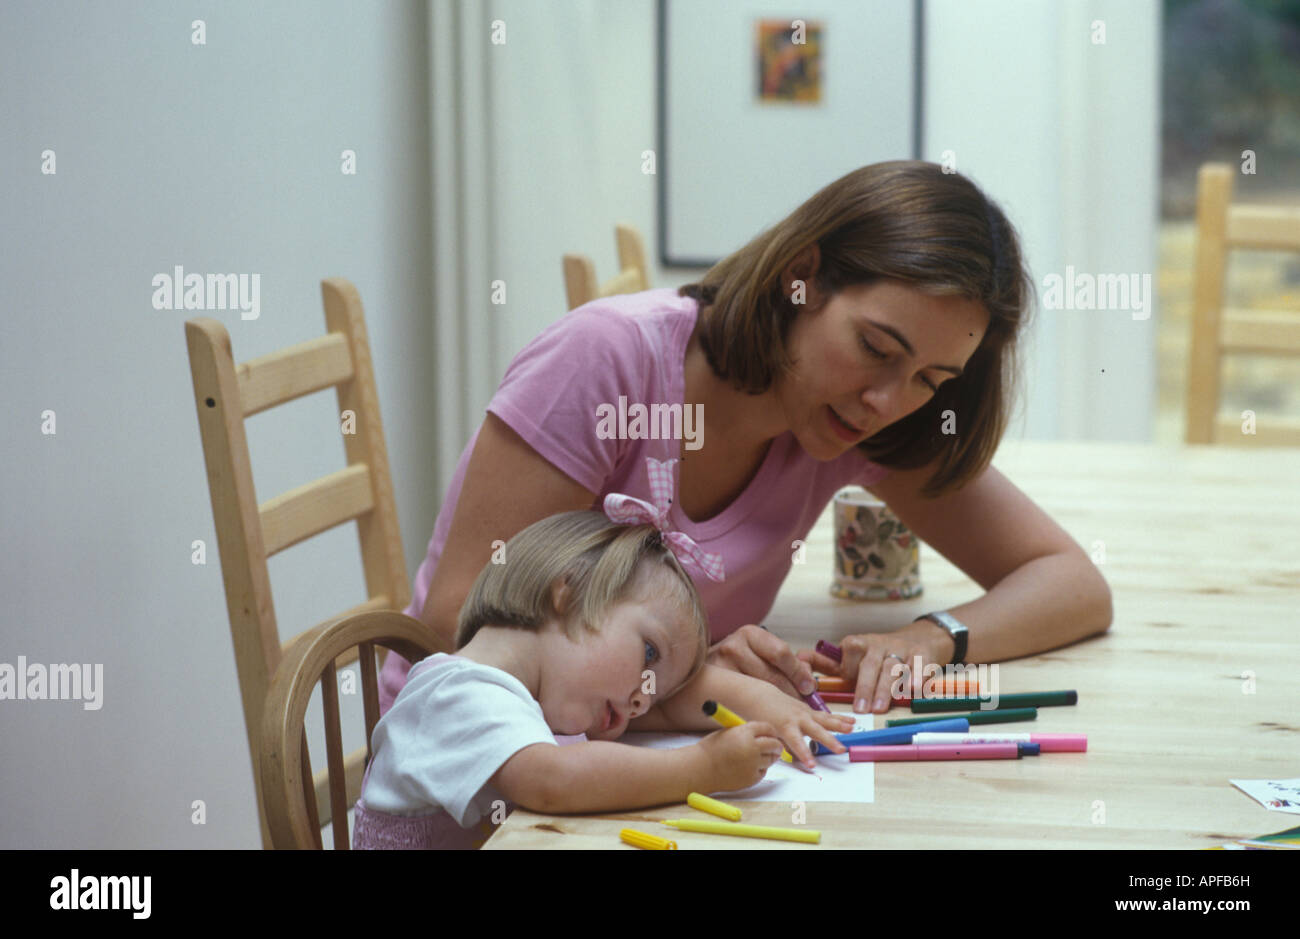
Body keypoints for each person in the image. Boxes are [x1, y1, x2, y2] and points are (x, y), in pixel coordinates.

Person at [380, 159, 1113, 722]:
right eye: (875, 346)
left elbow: (1071, 582)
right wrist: (685, 675)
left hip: (625, 757)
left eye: (931, 378)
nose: (887, 401)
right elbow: (456, 623)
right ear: (802, 279)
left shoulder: (848, 420)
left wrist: (929, 637)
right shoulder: (607, 360)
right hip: (470, 768)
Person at [354, 502, 852, 849]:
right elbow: (553, 781)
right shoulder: (461, 695)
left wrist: (765, 705)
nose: (643, 702)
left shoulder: (541, 696)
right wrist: (702, 768)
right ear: (565, 595)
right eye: (649, 653)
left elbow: (670, 708)